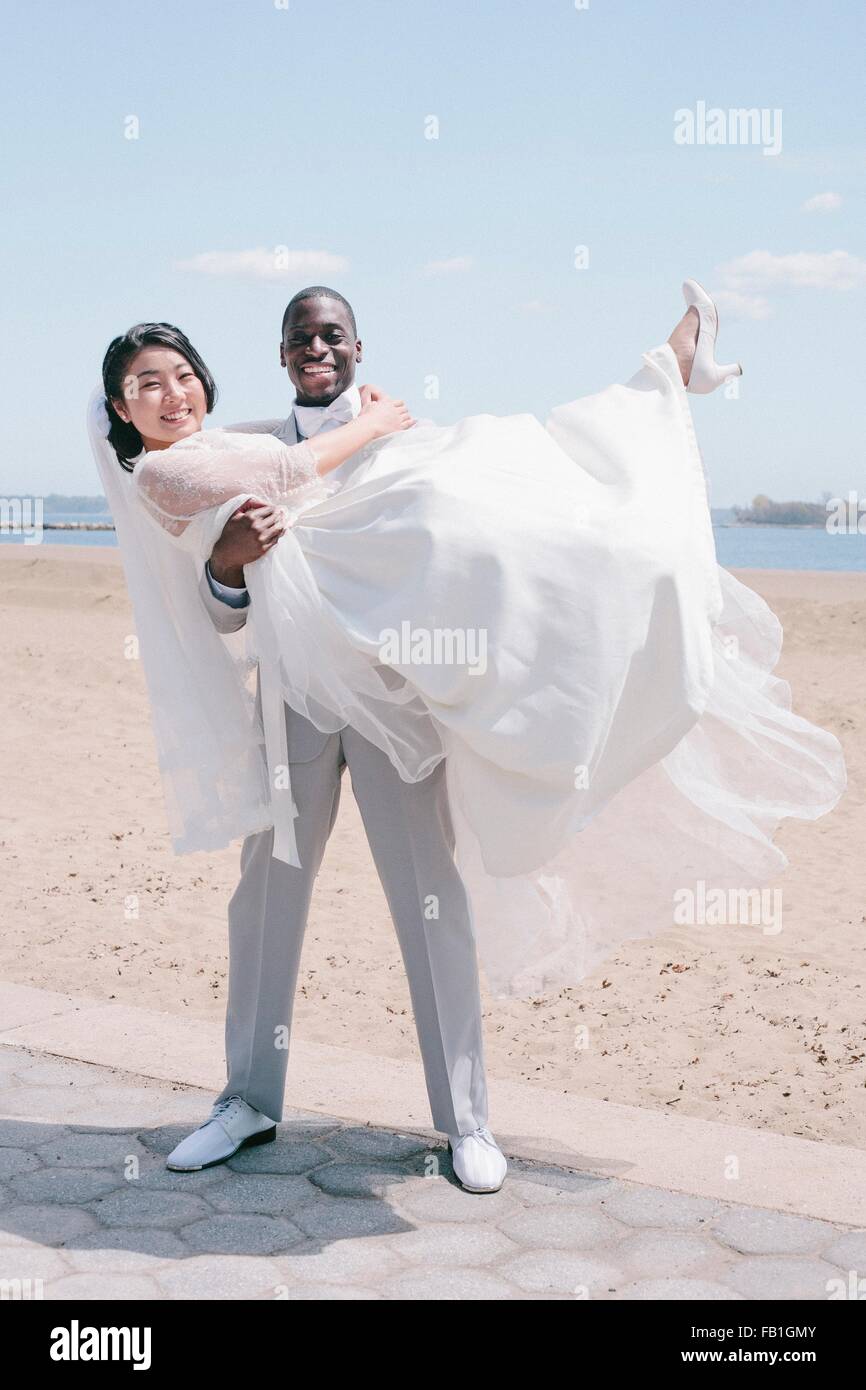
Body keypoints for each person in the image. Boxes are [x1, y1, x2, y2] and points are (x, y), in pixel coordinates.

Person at [89, 284, 845, 1194]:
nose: (316, 349)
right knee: (264, 898)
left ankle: (466, 1121)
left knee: (431, 899)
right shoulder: (245, 448)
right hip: (291, 697)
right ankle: (247, 1100)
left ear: (359, 349)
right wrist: (226, 568)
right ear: (279, 355)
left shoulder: (405, 435)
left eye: (332, 335)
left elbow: (485, 531)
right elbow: (210, 613)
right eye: (300, 338)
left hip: (393, 699)